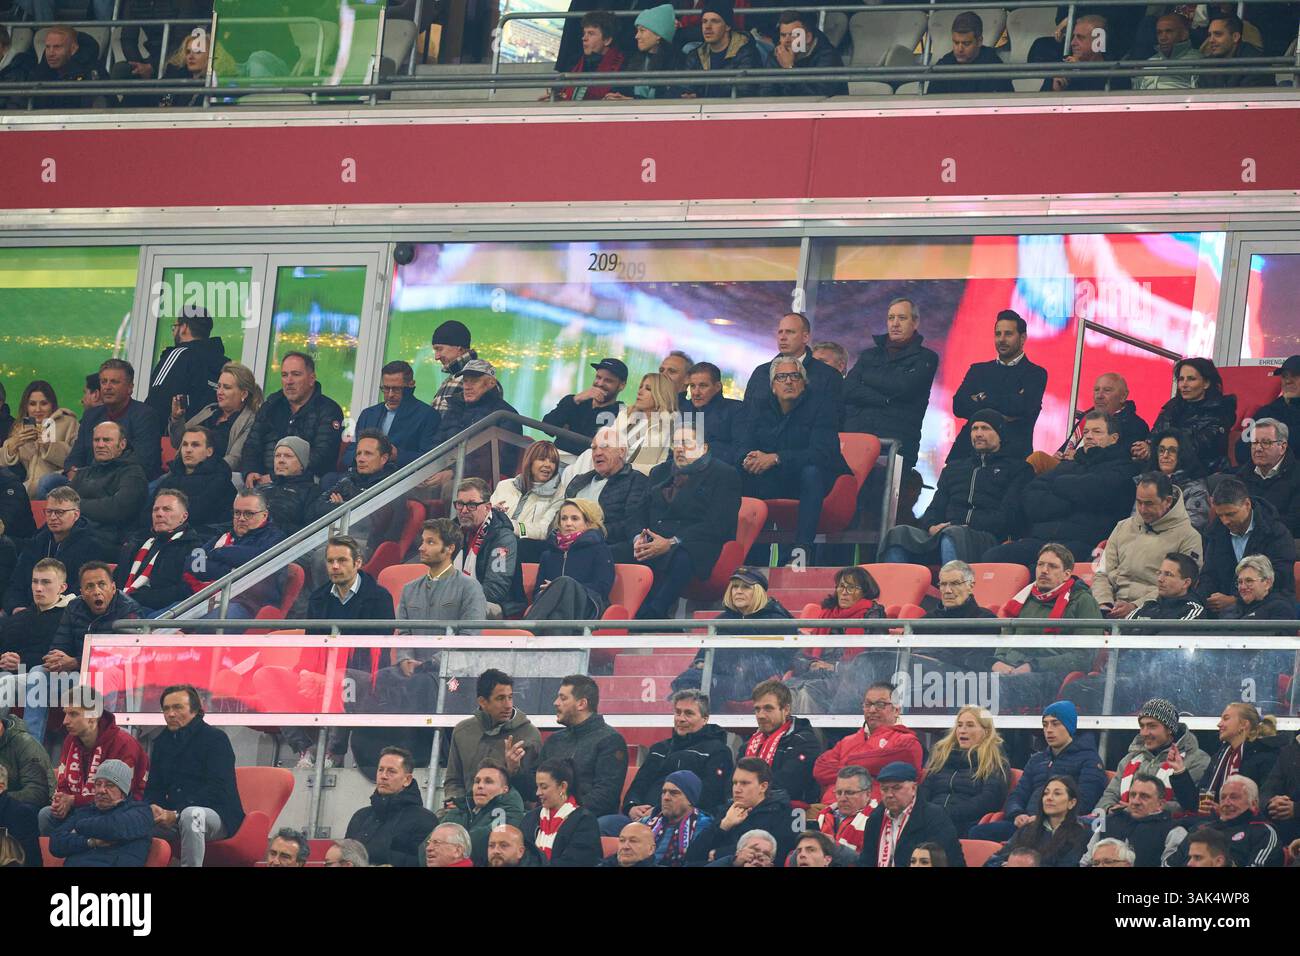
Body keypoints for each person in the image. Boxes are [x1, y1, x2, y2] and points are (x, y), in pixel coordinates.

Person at [983, 411, 1141, 570]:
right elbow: (1030, 498)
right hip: (1040, 540)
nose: (1089, 436)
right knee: (992, 558)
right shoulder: (1068, 465)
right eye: (1086, 432)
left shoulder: (1123, 469)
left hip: (1083, 545)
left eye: (1097, 432)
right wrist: (1072, 501)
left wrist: (1058, 486)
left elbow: (1098, 491)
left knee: (1039, 571)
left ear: (1114, 438)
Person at [289, 535, 396, 767]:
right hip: (321, 674)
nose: (334, 567)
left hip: (362, 675)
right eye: (330, 561)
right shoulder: (318, 599)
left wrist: (329, 677)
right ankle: (304, 750)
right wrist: (306, 673)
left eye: (341, 560)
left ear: (358, 563)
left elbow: (377, 654)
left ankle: (333, 753)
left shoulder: (379, 598)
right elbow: (311, 644)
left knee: (341, 679)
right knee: (269, 678)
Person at [878, 410, 1033, 565]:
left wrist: (961, 524)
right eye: (974, 428)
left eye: (985, 428)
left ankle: (953, 585)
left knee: (952, 534)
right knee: (898, 534)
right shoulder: (954, 469)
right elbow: (934, 509)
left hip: (987, 538)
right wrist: (932, 526)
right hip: (947, 532)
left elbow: (1007, 517)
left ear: (1000, 435)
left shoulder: (1018, 469)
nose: (978, 434)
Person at [738, 355, 850, 564]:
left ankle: (801, 551)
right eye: (781, 377)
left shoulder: (821, 407)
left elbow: (822, 453)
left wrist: (777, 458)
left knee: (811, 472)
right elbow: (743, 443)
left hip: (821, 480)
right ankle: (746, 558)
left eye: (794, 376)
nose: (788, 381)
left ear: (804, 383)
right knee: (736, 473)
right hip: (779, 478)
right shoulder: (760, 408)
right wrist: (749, 458)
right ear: (772, 386)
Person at [632, 425, 740, 619]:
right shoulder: (660, 472)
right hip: (654, 536)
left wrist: (672, 541)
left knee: (682, 555)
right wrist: (637, 538)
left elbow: (718, 523)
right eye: (676, 444)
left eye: (686, 444)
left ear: (704, 448)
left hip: (697, 540)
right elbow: (638, 512)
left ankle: (655, 611)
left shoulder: (724, 474)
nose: (679, 449)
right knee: (617, 550)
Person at [969, 701, 1107, 844]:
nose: (1049, 730)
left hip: (1057, 828)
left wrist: (1044, 819)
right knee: (977, 832)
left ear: (1069, 726)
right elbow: (1018, 794)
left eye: (1055, 723)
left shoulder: (1089, 759)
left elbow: (1085, 801)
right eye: (1045, 724)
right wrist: (1017, 814)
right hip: (1025, 824)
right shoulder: (1037, 760)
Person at [992, 544, 1104, 710]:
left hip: (1053, 677)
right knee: (966, 684)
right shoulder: (1022, 599)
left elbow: (1084, 657)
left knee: (992, 688)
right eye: (1040, 565)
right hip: (1012, 670)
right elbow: (1004, 642)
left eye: (1052, 566)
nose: (1044, 570)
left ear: (1067, 574)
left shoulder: (1083, 601)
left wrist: (1034, 666)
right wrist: (997, 662)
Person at [144, 684, 245, 867]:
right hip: (172, 815)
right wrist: (153, 807)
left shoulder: (215, 739)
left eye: (177, 707)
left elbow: (217, 789)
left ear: (195, 710)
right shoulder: (161, 743)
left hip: (217, 815)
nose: (171, 714)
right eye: (166, 709)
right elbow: (154, 787)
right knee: (132, 818)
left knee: (192, 815)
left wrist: (176, 814)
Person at [842, 296, 940, 471]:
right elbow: (847, 389)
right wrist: (884, 399)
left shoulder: (927, 358)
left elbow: (904, 388)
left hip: (896, 448)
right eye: (891, 318)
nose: (895, 323)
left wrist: (867, 380)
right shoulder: (869, 355)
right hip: (856, 440)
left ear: (915, 322)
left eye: (902, 318)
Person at [674, 567, 795, 703]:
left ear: (758, 592)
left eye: (745, 587)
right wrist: (701, 662)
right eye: (735, 587)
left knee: (697, 683)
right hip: (724, 678)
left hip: (757, 683)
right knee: (688, 680)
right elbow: (703, 655)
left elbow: (785, 659)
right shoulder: (722, 620)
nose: (738, 591)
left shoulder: (775, 620)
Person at [1091, 471, 1203, 617]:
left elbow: (1179, 586)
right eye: (1139, 502)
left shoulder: (1189, 537)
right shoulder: (1122, 527)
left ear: (1168, 501)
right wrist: (1104, 604)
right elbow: (1102, 573)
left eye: (1149, 504)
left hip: (1155, 613)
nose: (1142, 509)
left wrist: (1135, 607)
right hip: (1110, 609)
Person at [40, 687, 148, 837]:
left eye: (73, 714)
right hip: (81, 808)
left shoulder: (124, 743)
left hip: (116, 810)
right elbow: (63, 782)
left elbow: (120, 795)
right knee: (46, 815)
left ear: (93, 717)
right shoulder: (70, 740)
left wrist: (73, 800)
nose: (65, 721)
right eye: (65, 714)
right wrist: (62, 800)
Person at [392, 518, 488, 681]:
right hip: (413, 673)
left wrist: (430, 664)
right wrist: (405, 660)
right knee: (380, 679)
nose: (421, 548)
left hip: (453, 675)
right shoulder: (409, 589)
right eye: (423, 541)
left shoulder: (470, 587)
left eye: (430, 542)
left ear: (450, 548)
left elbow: (468, 638)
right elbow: (403, 633)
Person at [947, 311, 1047, 464]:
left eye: (1008, 334)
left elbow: (1022, 407)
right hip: (965, 455)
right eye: (998, 334)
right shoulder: (978, 370)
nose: (1001, 339)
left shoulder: (1035, 374)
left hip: (1012, 460)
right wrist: (1007, 404)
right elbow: (958, 406)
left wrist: (981, 398)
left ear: (1022, 338)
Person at [620, 690, 732, 823]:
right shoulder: (659, 748)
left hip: (682, 820)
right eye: (678, 712)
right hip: (640, 817)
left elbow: (710, 796)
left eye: (688, 713)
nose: (681, 719)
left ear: (705, 719)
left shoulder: (717, 751)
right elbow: (638, 785)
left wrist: (660, 811)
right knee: (604, 825)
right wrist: (632, 806)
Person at [790, 566, 887, 714]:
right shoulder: (826, 614)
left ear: (865, 592)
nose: (844, 592)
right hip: (816, 674)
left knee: (807, 691)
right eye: (841, 586)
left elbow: (874, 661)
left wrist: (835, 667)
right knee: (781, 691)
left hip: (848, 680)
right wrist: (812, 664)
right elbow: (801, 654)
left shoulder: (873, 616)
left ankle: (809, 736)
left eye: (852, 587)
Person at [240, 351, 345, 486]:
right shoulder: (271, 406)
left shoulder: (329, 410)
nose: (289, 381)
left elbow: (322, 456)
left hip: (306, 484)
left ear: (311, 379)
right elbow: (251, 445)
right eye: (284, 375)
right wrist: (250, 472)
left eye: (296, 374)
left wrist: (276, 477)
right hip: (262, 481)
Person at [443, 669, 541, 807]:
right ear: (483, 701)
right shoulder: (462, 731)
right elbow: (453, 780)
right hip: (466, 811)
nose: (508, 705)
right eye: (500, 698)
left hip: (509, 813)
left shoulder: (529, 735)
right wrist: (457, 802)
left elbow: (532, 792)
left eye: (510, 697)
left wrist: (514, 771)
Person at [813, 681, 921, 807]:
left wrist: (845, 766)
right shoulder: (847, 741)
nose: (872, 710)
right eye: (868, 704)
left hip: (874, 813)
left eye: (880, 704)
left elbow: (900, 761)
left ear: (896, 710)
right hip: (829, 811)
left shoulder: (906, 742)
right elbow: (820, 769)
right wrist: (867, 771)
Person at [1095, 697, 1210, 815]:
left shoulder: (1196, 760)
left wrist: (1141, 808)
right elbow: (1107, 798)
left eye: (1151, 726)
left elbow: (1193, 806)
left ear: (1169, 729)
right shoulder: (1129, 760)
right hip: (1122, 828)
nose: (1144, 733)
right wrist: (1111, 809)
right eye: (1142, 726)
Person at [1199, 478, 1296, 616]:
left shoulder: (1276, 533)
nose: (1225, 521)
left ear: (1247, 504)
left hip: (1270, 608)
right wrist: (1203, 599)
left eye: (1231, 514)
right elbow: (1209, 575)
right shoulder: (1215, 533)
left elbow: (1279, 579)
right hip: (1223, 611)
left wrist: (1236, 600)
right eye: (1220, 515)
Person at [537, 674, 629, 818]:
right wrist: (515, 769)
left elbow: (605, 795)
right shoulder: (554, 740)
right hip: (548, 815)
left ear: (581, 704)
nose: (556, 703)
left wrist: (566, 812)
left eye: (563, 698)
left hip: (588, 819)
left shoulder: (611, 741)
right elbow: (536, 785)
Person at [60, 359, 163, 485]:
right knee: (49, 482)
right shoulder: (90, 416)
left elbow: (144, 462)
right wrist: (72, 472)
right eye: (104, 382)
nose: (107, 387)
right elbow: (75, 456)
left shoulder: (145, 415)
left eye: (114, 382)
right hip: (87, 480)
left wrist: (100, 476)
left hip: (126, 483)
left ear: (130, 388)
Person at [0, 558, 71, 742]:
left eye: (46, 582)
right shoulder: (19, 617)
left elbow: (55, 656)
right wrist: (4, 659)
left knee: (15, 679)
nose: (38, 588)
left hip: (54, 677)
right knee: (4, 678)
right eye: (35, 581)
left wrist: (20, 661)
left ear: (62, 587)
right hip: (16, 675)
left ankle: (30, 749)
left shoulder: (70, 615)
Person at [190, 491, 287, 617]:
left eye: (248, 514)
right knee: (159, 620)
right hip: (206, 599)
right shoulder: (224, 534)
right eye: (237, 513)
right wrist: (230, 570)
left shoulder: (275, 537)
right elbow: (194, 562)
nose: (241, 518)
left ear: (264, 515)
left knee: (203, 627)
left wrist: (219, 552)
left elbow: (256, 559)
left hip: (248, 605)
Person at [1170, 702, 1284, 810]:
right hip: (1212, 823)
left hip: (1243, 827)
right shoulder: (1219, 757)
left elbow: (1263, 804)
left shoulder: (1266, 757)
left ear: (1244, 724)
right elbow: (1194, 804)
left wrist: (1224, 810)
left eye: (1226, 718)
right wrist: (1179, 769)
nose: (1219, 724)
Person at [686, 757, 799, 864]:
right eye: (735, 783)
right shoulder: (727, 811)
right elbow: (692, 855)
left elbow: (774, 854)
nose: (737, 789)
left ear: (763, 787)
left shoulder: (781, 813)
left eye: (744, 783)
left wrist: (720, 854)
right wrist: (723, 826)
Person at [919, 707, 1010, 838]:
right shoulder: (942, 757)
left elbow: (989, 800)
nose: (962, 730)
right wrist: (924, 812)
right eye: (959, 725)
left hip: (966, 823)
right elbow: (925, 790)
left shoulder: (994, 761)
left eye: (970, 725)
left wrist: (946, 813)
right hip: (931, 819)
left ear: (986, 731)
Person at [1137, 357, 1238, 474]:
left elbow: (1196, 449)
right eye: (1181, 379)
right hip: (1166, 468)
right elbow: (1156, 434)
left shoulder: (1220, 412)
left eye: (1191, 379)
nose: (1184, 384)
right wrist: (1146, 446)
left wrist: (1155, 451)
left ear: (1206, 383)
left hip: (1203, 473)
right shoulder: (1172, 406)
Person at [47, 759, 154, 868]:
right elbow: (55, 843)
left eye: (110, 785)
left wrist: (79, 826)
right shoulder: (87, 810)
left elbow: (113, 828)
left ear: (123, 790)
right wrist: (90, 842)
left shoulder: (141, 812)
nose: (101, 790)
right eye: (98, 784)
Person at [113, 489, 204, 615]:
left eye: (167, 509)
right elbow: (118, 577)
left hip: (159, 613)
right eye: (155, 509)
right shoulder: (137, 542)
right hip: (122, 605)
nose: (159, 514)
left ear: (184, 517)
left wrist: (141, 597)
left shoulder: (197, 549)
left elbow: (191, 589)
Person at [46, 562, 145, 679]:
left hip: (112, 674)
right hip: (76, 670)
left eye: (102, 584)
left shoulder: (129, 609)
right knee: (38, 671)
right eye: (90, 586)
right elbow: (59, 645)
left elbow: (126, 656)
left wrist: (76, 662)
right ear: (82, 592)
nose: (97, 591)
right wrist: (55, 659)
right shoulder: (74, 607)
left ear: (113, 588)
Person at [344, 746, 437, 868]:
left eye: (391, 771)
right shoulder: (360, 816)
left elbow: (423, 862)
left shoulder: (425, 819)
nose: (383, 776)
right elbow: (343, 856)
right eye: (380, 770)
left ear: (407, 780)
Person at [741, 312, 844, 423]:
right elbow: (746, 416)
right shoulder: (761, 373)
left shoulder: (828, 376)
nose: (783, 337)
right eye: (780, 332)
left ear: (805, 337)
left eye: (790, 332)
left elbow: (833, 420)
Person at [563, 427, 652, 554]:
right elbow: (559, 517)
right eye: (594, 448)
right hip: (569, 541)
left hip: (605, 545)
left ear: (621, 451)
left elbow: (630, 524)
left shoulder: (636, 480)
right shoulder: (579, 482)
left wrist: (588, 531)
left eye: (604, 447)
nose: (597, 453)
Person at [859, 762, 965, 868]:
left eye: (896, 788)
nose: (889, 795)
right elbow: (866, 861)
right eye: (884, 789)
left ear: (913, 788)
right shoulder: (875, 819)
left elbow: (946, 861)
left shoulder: (934, 817)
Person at [430, 359, 523, 481]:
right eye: (465, 381)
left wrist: (453, 473)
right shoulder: (454, 408)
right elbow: (436, 444)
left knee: (448, 490)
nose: (467, 387)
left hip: (480, 482)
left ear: (491, 383)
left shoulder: (505, 416)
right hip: (445, 474)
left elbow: (500, 462)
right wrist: (432, 471)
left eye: (474, 381)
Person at [449, 477, 526, 619]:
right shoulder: (452, 532)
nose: (464, 510)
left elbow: (495, 589)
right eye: (460, 504)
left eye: (472, 505)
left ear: (487, 507)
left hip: (498, 607)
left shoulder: (503, 538)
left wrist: (457, 601)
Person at [306, 430, 400, 545]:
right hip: (333, 538)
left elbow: (371, 524)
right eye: (358, 453)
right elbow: (316, 507)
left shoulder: (392, 486)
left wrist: (343, 506)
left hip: (363, 546)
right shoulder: (349, 478)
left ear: (383, 459)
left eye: (368, 454)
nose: (360, 459)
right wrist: (343, 508)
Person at [1167, 774, 1283, 866]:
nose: (1226, 803)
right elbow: (1169, 863)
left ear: (1253, 804)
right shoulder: (1203, 829)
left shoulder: (1264, 832)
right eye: (1223, 797)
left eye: (1234, 797)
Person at [528, 498, 614, 622]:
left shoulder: (599, 549)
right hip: (555, 608)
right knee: (556, 615)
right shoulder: (548, 555)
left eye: (575, 518)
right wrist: (551, 592)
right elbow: (537, 591)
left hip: (590, 606)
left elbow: (602, 588)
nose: (568, 523)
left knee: (565, 583)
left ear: (588, 523)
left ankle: (526, 629)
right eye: (564, 518)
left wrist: (563, 588)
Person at [166, 361, 260, 475]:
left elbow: (235, 459)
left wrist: (202, 473)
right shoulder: (210, 410)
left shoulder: (250, 420)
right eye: (218, 386)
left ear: (244, 394)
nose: (219, 392)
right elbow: (178, 443)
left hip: (212, 478)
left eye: (227, 387)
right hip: (181, 472)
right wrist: (177, 418)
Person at [426, 761, 524, 867]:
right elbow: (426, 848)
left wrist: (444, 849)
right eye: (477, 781)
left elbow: (479, 844)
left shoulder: (509, 812)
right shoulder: (458, 811)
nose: (480, 786)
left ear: (504, 789)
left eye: (488, 781)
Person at [70, 422, 150, 552]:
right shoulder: (83, 473)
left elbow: (117, 508)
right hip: (79, 535)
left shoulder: (133, 473)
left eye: (107, 440)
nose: (100, 445)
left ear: (122, 444)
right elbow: (63, 503)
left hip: (112, 543)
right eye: (96, 440)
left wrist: (77, 506)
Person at [741, 678, 823, 805]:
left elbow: (789, 786)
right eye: (757, 709)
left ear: (786, 710)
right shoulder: (747, 746)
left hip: (787, 813)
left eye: (768, 709)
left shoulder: (804, 742)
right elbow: (732, 785)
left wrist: (748, 795)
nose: (761, 716)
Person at [347, 360, 438, 470]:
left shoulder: (427, 415)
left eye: (397, 389)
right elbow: (348, 455)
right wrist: (364, 455)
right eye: (386, 388)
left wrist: (397, 455)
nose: (390, 395)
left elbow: (430, 458)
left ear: (411, 385)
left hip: (400, 479)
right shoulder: (368, 414)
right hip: (363, 477)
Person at [145, 306, 229, 425]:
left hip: (176, 437)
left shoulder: (179, 354)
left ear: (184, 327)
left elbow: (157, 399)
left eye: (174, 327)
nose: (174, 331)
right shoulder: (225, 364)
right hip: (210, 438)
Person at [1079, 773, 1184, 867]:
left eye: (1144, 796)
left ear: (1160, 804)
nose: (1135, 801)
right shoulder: (1108, 822)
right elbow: (1086, 861)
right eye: (1133, 795)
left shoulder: (1173, 831)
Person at [987, 775, 1090, 867]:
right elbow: (994, 860)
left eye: (1057, 794)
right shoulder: (1028, 828)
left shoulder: (1079, 835)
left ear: (1072, 803)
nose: (1049, 798)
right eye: (1046, 793)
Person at [0, 380, 79, 498]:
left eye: (43, 403)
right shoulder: (20, 427)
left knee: (46, 482)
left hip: (57, 482)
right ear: (26, 406)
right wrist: (13, 445)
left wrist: (49, 446)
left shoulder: (68, 423)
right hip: (27, 485)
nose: (37, 409)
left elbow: (75, 459)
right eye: (32, 404)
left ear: (52, 404)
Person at [151, 427, 236, 535]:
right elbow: (148, 512)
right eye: (185, 445)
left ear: (209, 451)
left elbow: (199, 512)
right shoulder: (170, 479)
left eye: (195, 445)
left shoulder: (220, 479)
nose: (188, 450)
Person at [491, 441, 566, 564]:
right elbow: (487, 519)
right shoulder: (505, 485)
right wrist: (492, 512)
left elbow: (543, 531)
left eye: (552, 461)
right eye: (542, 459)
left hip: (524, 550)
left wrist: (509, 524)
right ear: (530, 461)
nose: (548, 465)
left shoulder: (559, 494)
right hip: (495, 542)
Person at [1223, 418, 1300, 536]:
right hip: (1244, 539)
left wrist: (1252, 524)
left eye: (1266, 443)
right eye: (1254, 442)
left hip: (1283, 542)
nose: (1258, 448)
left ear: (1282, 447)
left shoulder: (1296, 476)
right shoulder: (1241, 476)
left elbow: (1294, 522)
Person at [1052, 373, 1151, 463]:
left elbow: (1119, 457)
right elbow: (1066, 448)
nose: (1099, 396)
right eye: (1096, 390)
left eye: (1107, 390)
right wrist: (1058, 455)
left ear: (1123, 396)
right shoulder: (1087, 418)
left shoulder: (1136, 425)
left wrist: (1079, 456)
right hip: (1062, 469)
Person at [522, 757, 603, 866]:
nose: (538, 793)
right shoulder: (530, 818)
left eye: (544, 787)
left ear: (563, 786)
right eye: (537, 786)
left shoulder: (584, 821)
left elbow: (577, 862)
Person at [543, 359, 628, 459]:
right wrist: (576, 399)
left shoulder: (621, 413)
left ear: (622, 385)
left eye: (608, 380)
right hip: (554, 460)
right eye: (598, 377)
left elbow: (599, 448)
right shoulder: (574, 401)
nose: (600, 383)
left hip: (586, 468)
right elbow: (547, 427)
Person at [681, 0, 762, 98]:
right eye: (704, 21)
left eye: (714, 21)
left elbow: (745, 92)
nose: (707, 27)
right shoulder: (695, 55)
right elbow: (685, 89)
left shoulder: (746, 53)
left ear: (728, 26)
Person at [604, 4, 683, 99]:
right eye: (637, 31)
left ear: (658, 35)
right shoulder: (632, 58)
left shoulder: (676, 61)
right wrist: (613, 96)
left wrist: (633, 100)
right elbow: (620, 87)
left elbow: (669, 98)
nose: (637, 36)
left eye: (642, 31)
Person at [762, 10, 846, 97]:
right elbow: (766, 95)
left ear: (808, 38)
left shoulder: (828, 57)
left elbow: (819, 98)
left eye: (794, 35)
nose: (787, 40)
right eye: (783, 35)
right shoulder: (776, 56)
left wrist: (790, 69)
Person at [927, 11, 1014, 95]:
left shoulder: (993, 64)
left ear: (979, 41)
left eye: (966, 43)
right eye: (956, 43)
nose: (960, 49)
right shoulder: (944, 65)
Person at [639, 770, 715, 866]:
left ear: (690, 799)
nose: (666, 797)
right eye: (664, 792)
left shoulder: (704, 827)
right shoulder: (645, 823)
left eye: (674, 793)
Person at [1149, 428, 1213, 532]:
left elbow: (1191, 528)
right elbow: (1135, 522)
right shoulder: (1146, 482)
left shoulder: (1196, 488)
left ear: (1182, 454)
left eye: (1172, 451)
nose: (1165, 455)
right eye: (1161, 450)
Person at [1041, 15, 1127, 93]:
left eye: (1080, 38)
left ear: (1099, 42)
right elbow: (1040, 105)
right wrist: (1054, 89)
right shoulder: (1061, 66)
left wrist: (1082, 71)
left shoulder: (1116, 72)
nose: (1073, 43)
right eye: (1073, 37)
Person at [28, 25, 106, 111]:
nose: (50, 53)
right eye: (47, 47)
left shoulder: (93, 72)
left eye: (57, 47)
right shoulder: (41, 72)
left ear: (73, 49)